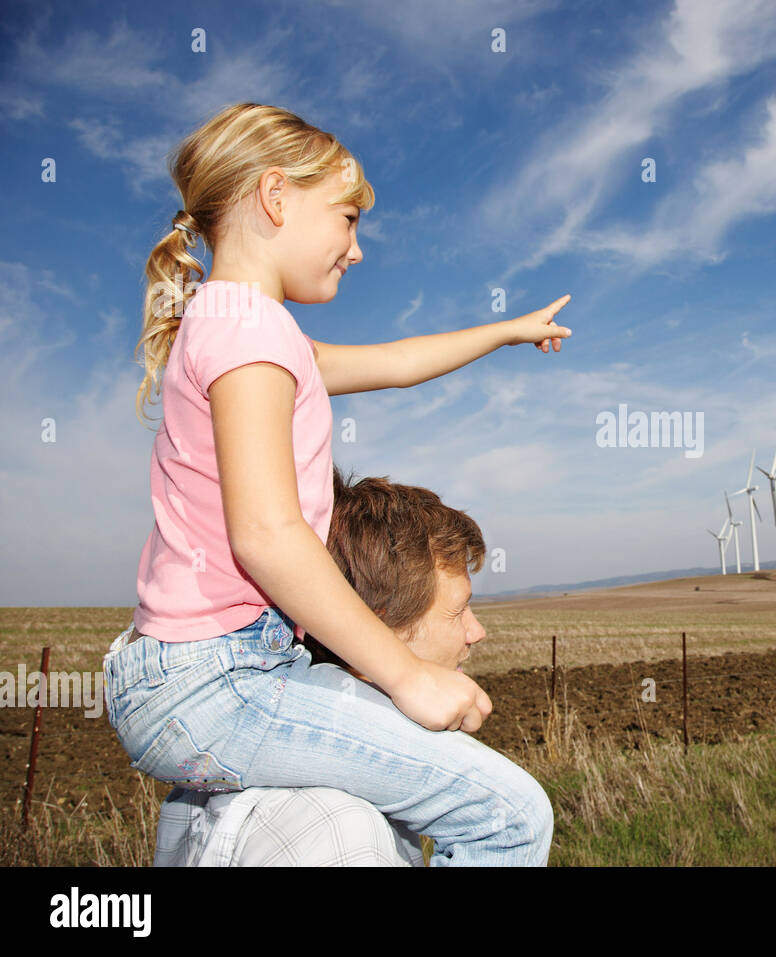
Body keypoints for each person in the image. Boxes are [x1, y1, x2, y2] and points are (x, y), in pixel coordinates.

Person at [102, 102, 572, 866]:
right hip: (214, 682)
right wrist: (408, 672)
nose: (356, 250)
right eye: (348, 218)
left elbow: (397, 362)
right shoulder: (247, 333)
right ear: (276, 197)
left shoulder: (251, 328)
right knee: (509, 814)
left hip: (231, 669)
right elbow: (268, 534)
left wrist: (506, 329)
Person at [148, 466, 491, 866]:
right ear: (375, 627)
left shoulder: (219, 778)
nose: (477, 631)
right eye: (457, 610)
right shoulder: (340, 835)